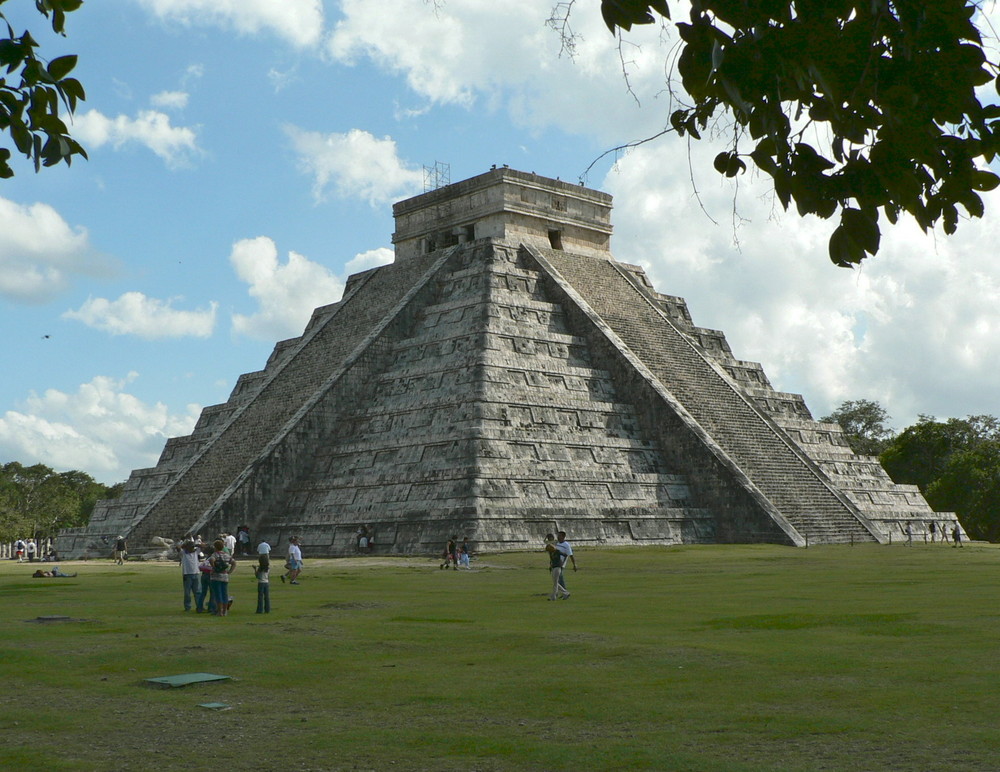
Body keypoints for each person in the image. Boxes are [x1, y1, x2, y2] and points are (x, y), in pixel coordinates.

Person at [208, 540, 236, 615]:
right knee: (225, 593)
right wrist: (230, 571)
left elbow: (211, 560)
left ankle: (220, 611)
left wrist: (214, 567)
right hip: (225, 576)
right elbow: (233, 563)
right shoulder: (226, 555)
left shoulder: (215, 554)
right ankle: (225, 611)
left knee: (218, 594)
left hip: (216, 577)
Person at [177, 539, 202, 611]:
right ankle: (187, 607)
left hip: (196, 573)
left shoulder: (195, 552)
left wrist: (195, 545)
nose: (192, 549)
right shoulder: (183, 553)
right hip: (187, 574)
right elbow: (178, 547)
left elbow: (203, 546)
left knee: (198, 592)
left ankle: (199, 606)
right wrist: (184, 546)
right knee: (187, 593)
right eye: (190, 547)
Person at [544, 534, 570, 600]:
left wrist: (562, 563)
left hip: (558, 567)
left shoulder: (557, 552)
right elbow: (551, 561)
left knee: (555, 583)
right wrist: (550, 566)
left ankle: (553, 597)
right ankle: (566, 593)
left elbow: (565, 555)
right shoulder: (551, 553)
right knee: (555, 583)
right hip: (554, 567)